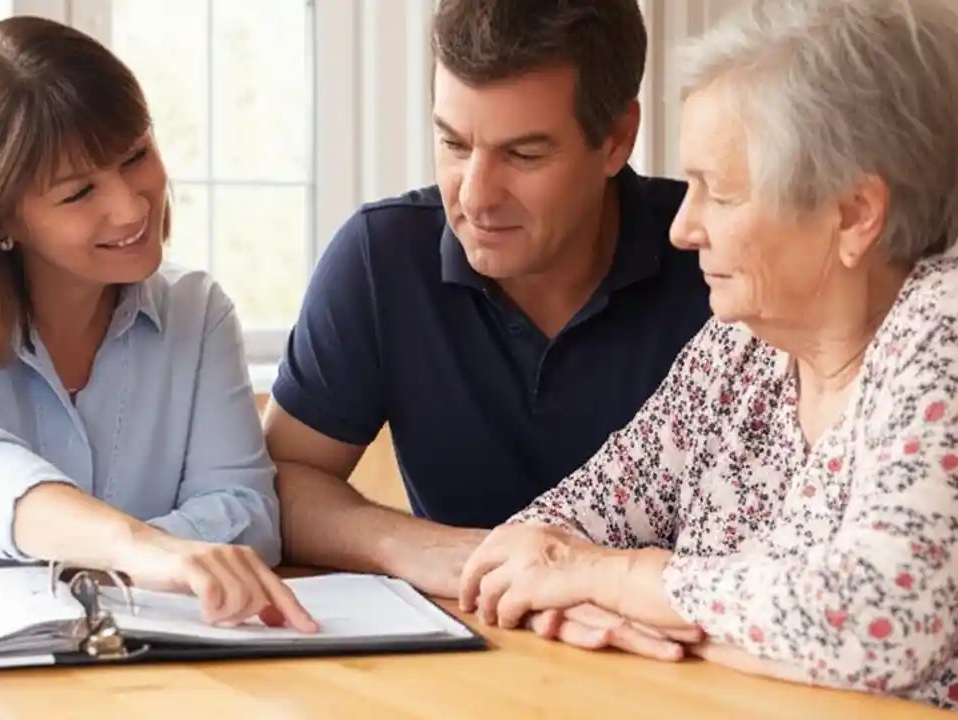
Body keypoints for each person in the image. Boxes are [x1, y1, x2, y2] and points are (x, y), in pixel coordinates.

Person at [459, 0, 958, 716]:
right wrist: (600, 602)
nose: (683, 227)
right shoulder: (738, 350)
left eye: (723, 192)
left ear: (854, 214)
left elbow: (882, 626)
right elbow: (541, 540)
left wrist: (618, 582)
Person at [0, 16, 316, 634]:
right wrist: (133, 549)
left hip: (86, 661)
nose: (131, 206)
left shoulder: (196, 312)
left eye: (136, 155)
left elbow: (245, 511)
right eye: (78, 193)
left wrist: (107, 575)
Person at [264, 0, 711, 605]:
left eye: (524, 155)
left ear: (616, 140)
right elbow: (281, 483)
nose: (475, 198)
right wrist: (416, 546)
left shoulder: (718, 259)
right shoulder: (382, 257)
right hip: (470, 656)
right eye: (453, 144)